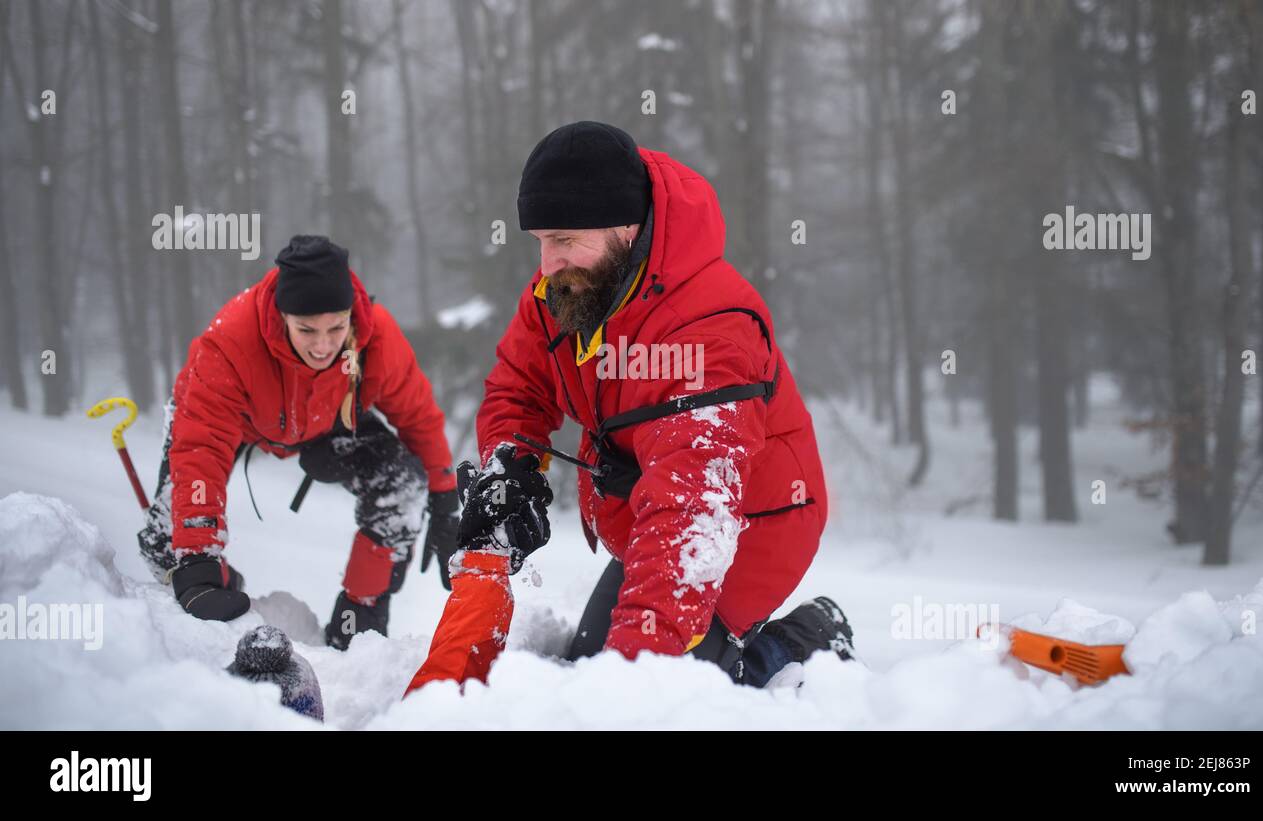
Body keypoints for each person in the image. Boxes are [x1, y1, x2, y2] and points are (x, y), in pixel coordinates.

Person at [455, 122, 854, 687]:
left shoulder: (712, 330)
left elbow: (692, 518)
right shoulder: (570, 288)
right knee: (586, 665)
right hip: (647, 512)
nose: (546, 265)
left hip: (747, 522)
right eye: (541, 240)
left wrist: (630, 682)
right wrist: (513, 466)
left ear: (625, 226)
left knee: (673, 681)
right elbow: (520, 387)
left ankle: (808, 637)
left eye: (565, 239)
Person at [137, 235, 461, 650]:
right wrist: (198, 555)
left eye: (336, 328)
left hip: (327, 418)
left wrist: (444, 498)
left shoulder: (376, 338)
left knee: (402, 487)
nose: (323, 345)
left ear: (352, 316)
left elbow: (418, 416)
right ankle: (200, 579)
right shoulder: (232, 341)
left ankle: (357, 622)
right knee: (176, 545)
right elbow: (201, 445)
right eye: (306, 330)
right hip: (237, 421)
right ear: (282, 316)